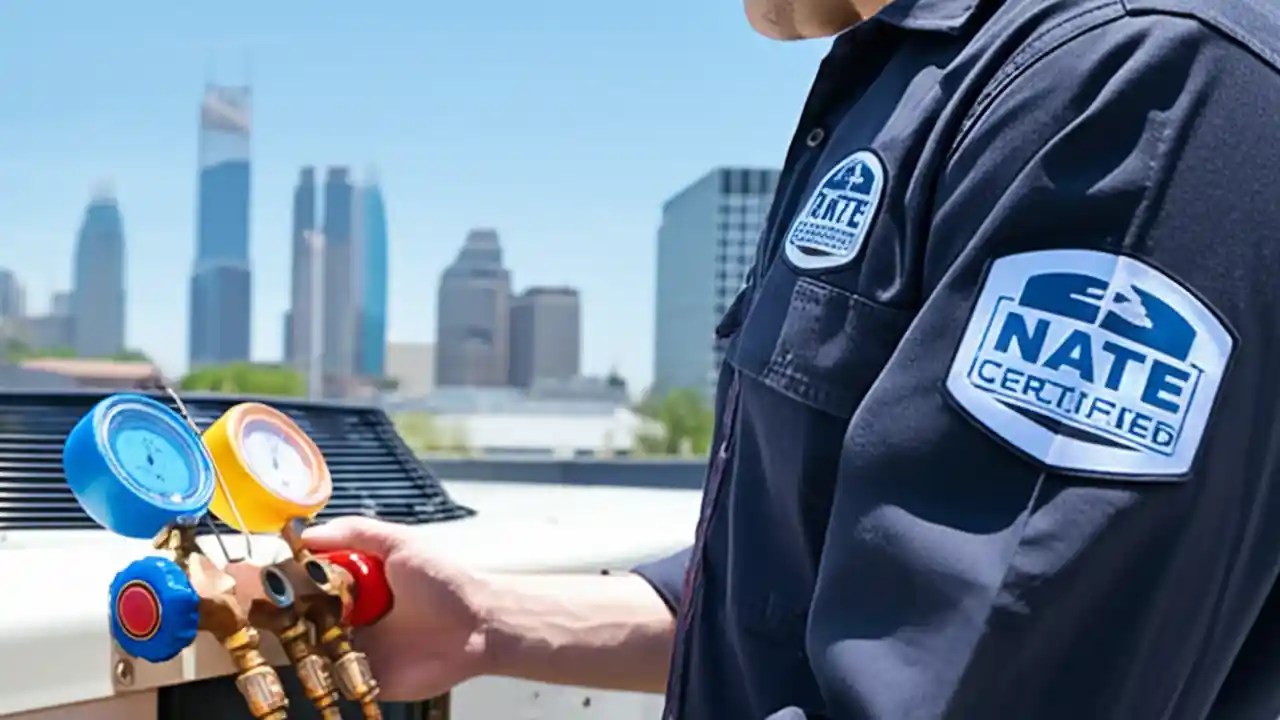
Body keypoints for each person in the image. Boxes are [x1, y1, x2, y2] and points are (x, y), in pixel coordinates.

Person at [304, 0, 1280, 717]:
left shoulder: (1131, 79)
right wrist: (489, 623)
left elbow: (974, 662)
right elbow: (824, 570)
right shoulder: (924, 79)